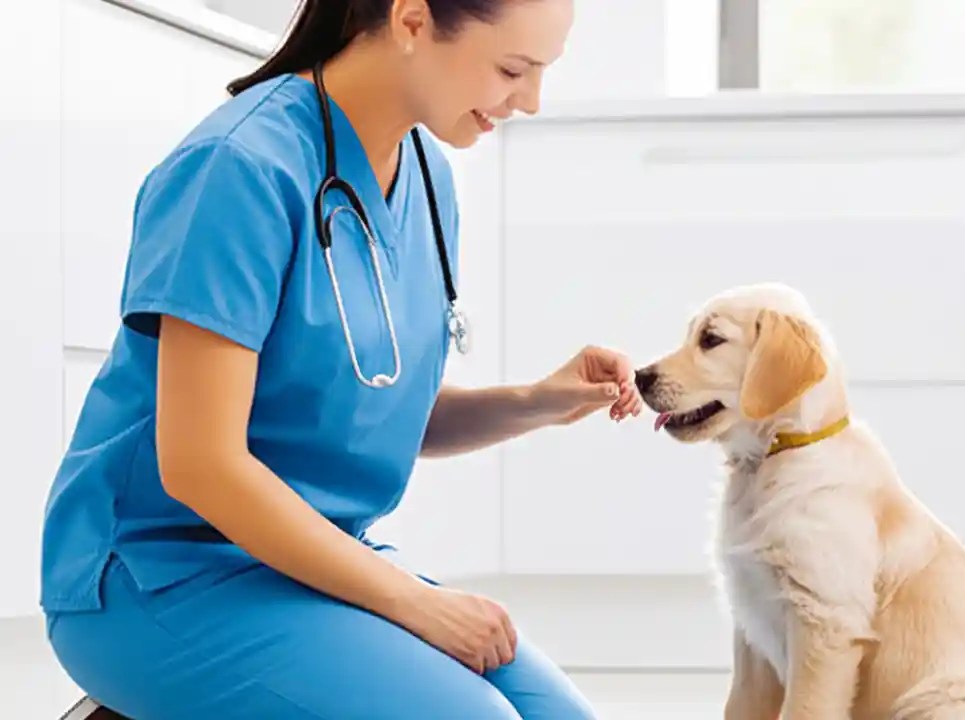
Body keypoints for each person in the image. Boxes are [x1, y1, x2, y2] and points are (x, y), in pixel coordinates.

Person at [40, 1, 639, 717]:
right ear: (412, 21)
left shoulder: (426, 173)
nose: (531, 102)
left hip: (304, 564)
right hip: (157, 575)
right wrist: (415, 603)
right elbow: (201, 464)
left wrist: (538, 402)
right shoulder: (239, 168)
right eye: (513, 69)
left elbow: (368, 405)